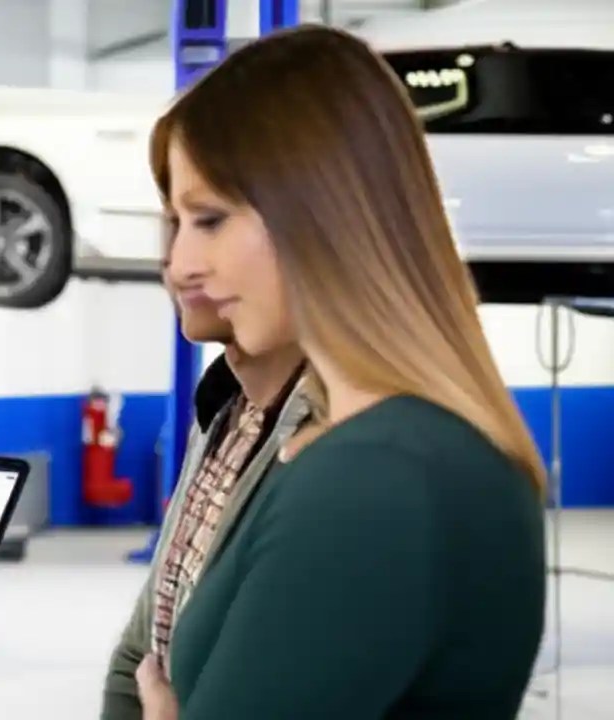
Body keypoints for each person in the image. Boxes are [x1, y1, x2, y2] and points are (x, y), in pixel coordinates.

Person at [131, 25, 547, 719]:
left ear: (316, 207)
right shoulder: (393, 447)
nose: (179, 266)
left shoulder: (374, 477)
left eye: (209, 220)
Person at [99, 113, 310, 718]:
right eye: (173, 225)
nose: (179, 262)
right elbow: (139, 656)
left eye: (210, 222)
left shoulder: (340, 448)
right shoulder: (221, 410)